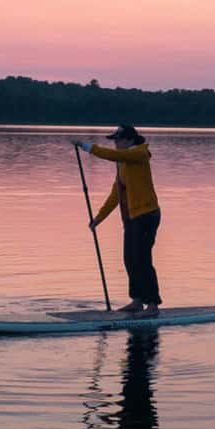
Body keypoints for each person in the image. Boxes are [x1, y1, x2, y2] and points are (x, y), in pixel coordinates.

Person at [72, 125, 162, 314]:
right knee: (129, 259)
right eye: (114, 140)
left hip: (146, 215)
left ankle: (152, 304)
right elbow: (116, 195)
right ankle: (137, 301)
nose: (115, 143)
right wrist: (98, 219)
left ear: (129, 140)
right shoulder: (122, 163)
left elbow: (114, 156)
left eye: (118, 140)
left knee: (142, 259)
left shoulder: (139, 154)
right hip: (131, 218)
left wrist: (86, 146)